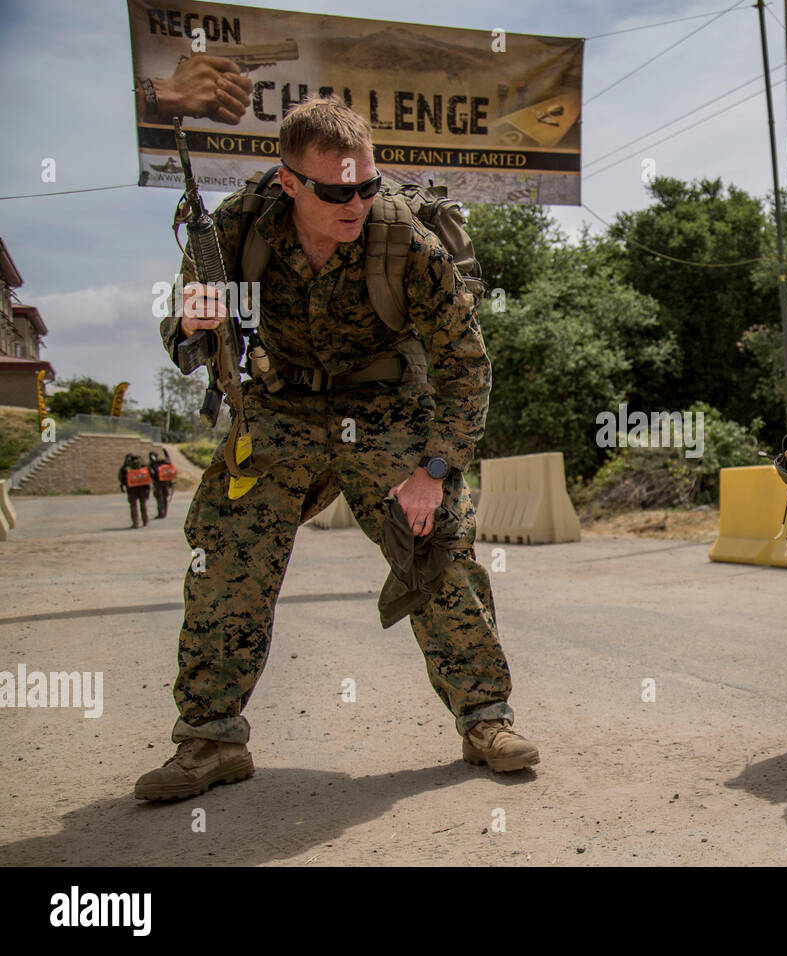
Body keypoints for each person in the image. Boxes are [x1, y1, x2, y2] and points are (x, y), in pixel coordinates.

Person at [135, 97, 537, 802]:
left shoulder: (406, 242)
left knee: (437, 541)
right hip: (281, 404)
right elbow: (187, 341)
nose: (355, 202)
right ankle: (208, 739)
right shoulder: (233, 228)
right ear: (290, 183)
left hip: (385, 403)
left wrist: (434, 469)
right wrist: (194, 325)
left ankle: (485, 719)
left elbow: (467, 366)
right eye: (335, 191)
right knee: (227, 552)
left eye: (367, 186)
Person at [119, 453, 153, 529]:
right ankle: (145, 520)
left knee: (133, 506)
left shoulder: (127, 466)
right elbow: (150, 474)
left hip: (131, 489)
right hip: (143, 488)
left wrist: (123, 484)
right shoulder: (143, 464)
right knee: (143, 504)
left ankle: (135, 523)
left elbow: (121, 476)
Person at [147, 450, 174, 519]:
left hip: (158, 484)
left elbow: (152, 472)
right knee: (164, 498)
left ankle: (161, 513)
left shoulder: (154, 464)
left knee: (159, 498)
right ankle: (164, 512)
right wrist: (166, 452)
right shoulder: (166, 463)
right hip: (166, 483)